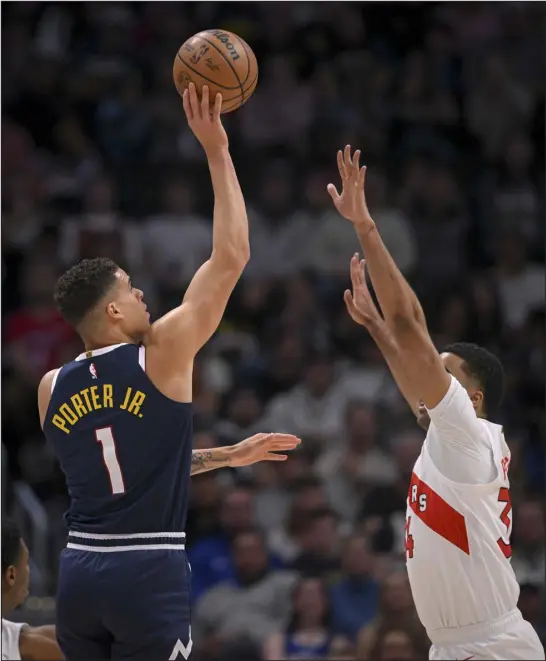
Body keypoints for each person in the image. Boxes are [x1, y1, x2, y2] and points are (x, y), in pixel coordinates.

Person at [37, 84, 300, 661]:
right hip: (145, 566)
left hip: (78, 571)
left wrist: (227, 456)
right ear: (112, 310)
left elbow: (125, 465)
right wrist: (216, 150)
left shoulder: (50, 387)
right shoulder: (161, 351)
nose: (141, 298)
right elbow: (232, 256)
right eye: (131, 291)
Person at [328, 145, 545, 660]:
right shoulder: (453, 438)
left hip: (492, 646)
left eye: (442, 373)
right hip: (453, 646)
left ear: (472, 397)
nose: (429, 376)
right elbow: (410, 372)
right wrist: (376, 328)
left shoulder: (468, 435)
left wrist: (364, 226)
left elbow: (412, 327)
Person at [2, 518, 63, 660]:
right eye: (26, 562)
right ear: (11, 575)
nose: (29, 572)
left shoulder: (20, 639)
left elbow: (39, 636)